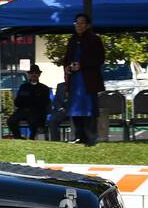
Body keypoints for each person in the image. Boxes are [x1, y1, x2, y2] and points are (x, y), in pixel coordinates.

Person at [60, 13, 104, 145]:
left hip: (88, 79)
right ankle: (79, 136)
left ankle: (91, 138)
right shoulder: (72, 40)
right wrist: (67, 67)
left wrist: (82, 65)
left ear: (87, 25)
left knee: (88, 108)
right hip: (75, 80)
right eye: (76, 23)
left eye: (81, 23)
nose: (78, 26)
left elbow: (99, 59)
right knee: (75, 108)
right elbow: (67, 58)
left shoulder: (94, 39)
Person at [8, 64, 52, 138]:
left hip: (36, 111)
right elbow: (18, 101)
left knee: (34, 122)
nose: (34, 75)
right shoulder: (24, 87)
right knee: (11, 121)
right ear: (29, 75)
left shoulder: (44, 88)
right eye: (32, 73)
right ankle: (18, 137)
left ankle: (32, 138)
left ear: (39, 74)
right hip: (22, 110)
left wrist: (31, 100)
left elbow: (45, 103)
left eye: (36, 73)